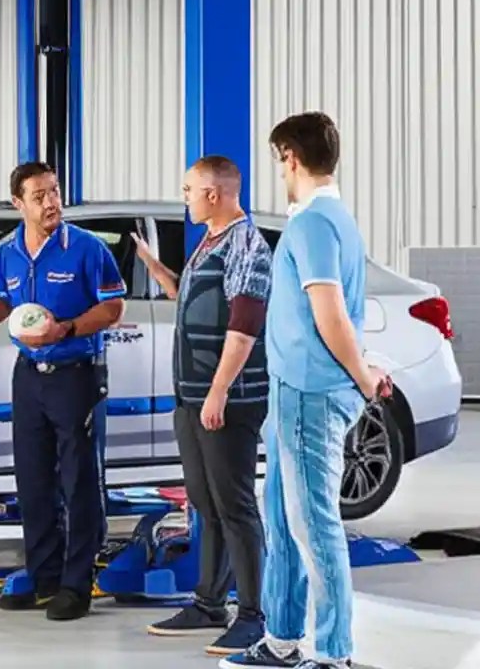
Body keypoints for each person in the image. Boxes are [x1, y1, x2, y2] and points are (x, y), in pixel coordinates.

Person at [221, 113, 389, 669]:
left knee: (314, 524)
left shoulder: (313, 224)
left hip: (311, 393)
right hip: (293, 391)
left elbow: (331, 314)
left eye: (278, 160)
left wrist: (363, 376)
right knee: (283, 520)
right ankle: (283, 639)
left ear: (289, 156)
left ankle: (334, 653)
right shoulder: (337, 219)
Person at [0, 160, 126, 622]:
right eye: (39, 196)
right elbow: (5, 302)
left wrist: (67, 329)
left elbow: (113, 307)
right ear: (18, 204)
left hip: (77, 372)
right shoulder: (8, 255)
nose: (51, 202)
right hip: (29, 375)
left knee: (79, 480)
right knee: (34, 479)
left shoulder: (86, 249)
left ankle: (77, 585)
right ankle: (44, 581)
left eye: (55, 192)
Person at [133, 156, 273, 656]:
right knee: (206, 505)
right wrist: (155, 268)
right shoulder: (208, 244)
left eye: (189, 188)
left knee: (235, 506)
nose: (185, 196)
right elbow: (192, 301)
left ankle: (253, 615)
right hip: (192, 396)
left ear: (214, 194)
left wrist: (218, 392)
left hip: (228, 400)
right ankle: (209, 602)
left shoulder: (246, 245)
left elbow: (242, 327)